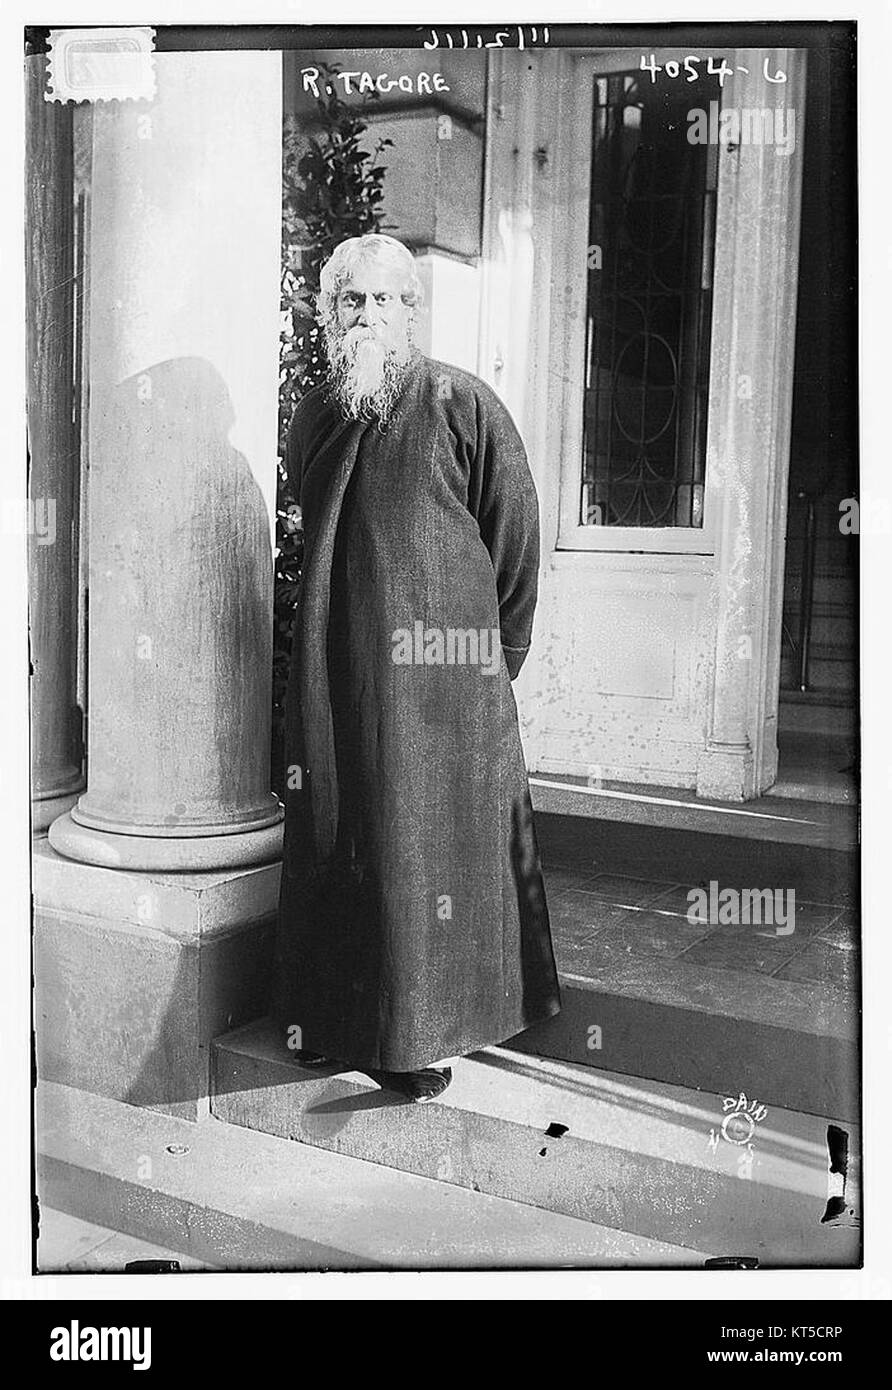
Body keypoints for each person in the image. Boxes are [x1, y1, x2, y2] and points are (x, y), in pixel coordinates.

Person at [271, 232, 560, 1102]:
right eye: (352, 301)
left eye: (388, 299)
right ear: (329, 316)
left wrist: (489, 663)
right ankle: (323, 1021)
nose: (371, 315)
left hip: (441, 694)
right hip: (334, 680)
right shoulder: (316, 415)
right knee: (331, 842)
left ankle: (414, 1036)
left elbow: (514, 543)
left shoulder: (462, 405)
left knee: (416, 855)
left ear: (413, 310)